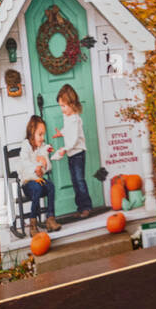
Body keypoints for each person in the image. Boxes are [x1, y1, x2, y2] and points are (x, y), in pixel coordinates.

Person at [51, 83, 93, 217]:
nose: (62, 109)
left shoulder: (75, 119)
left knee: (79, 180)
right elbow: (68, 131)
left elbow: (74, 139)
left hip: (78, 153)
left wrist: (64, 149)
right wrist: (61, 133)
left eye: (64, 106)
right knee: (75, 181)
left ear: (72, 104)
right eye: (60, 106)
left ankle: (86, 207)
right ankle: (80, 207)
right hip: (71, 153)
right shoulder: (67, 117)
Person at [16, 115, 61, 235]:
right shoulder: (26, 145)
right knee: (37, 187)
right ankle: (33, 223)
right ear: (32, 133)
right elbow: (24, 163)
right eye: (40, 134)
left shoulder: (42, 147)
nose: (42, 138)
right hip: (28, 183)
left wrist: (44, 165)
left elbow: (48, 167)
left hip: (39, 182)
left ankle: (50, 219)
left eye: (43, 134)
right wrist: (36, 167)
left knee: (50, 185)